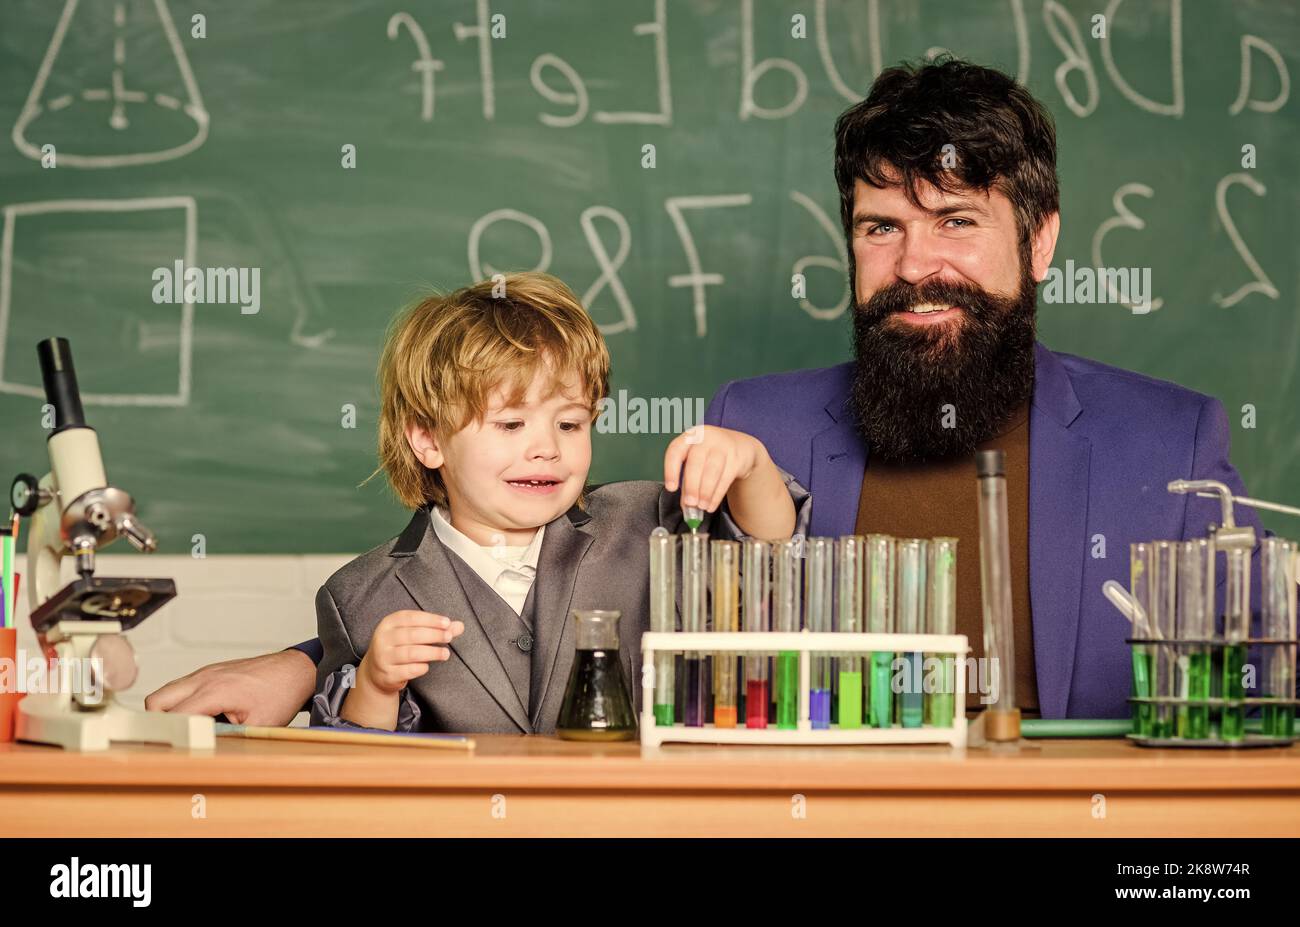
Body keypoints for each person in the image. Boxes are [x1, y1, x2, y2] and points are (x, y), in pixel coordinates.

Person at [148, 58, 1266, 725]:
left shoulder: (1165, 444)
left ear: (1042, 238)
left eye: (959, 223)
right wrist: (311, 665)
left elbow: (1259, 693)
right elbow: (556, 589)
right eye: (883, 227)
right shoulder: (758, 425)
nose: (917, 264)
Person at [159, 272, 804, 733]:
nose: (546, 450)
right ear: (429, 439)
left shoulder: (645, 523)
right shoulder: (357, 595)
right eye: (510, 425)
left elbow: (770, 547)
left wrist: (748, 463)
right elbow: (355, 768)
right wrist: (377, 686)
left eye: (571, 424)